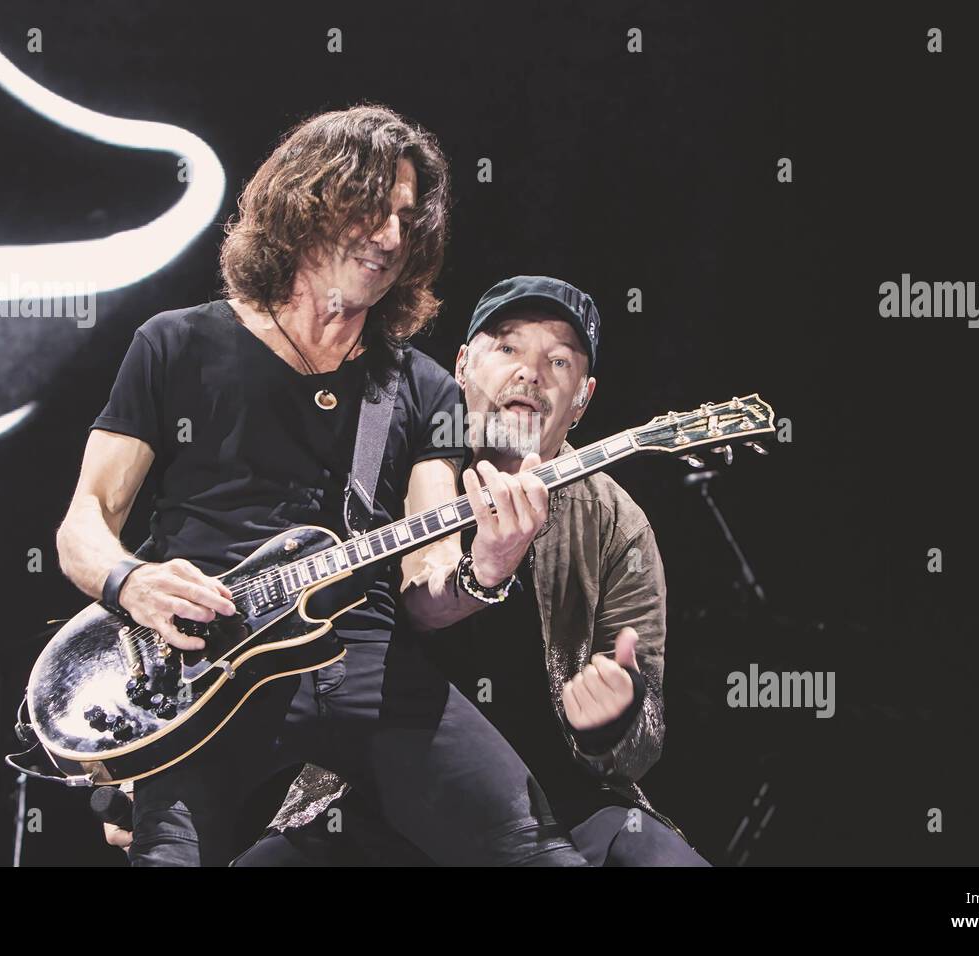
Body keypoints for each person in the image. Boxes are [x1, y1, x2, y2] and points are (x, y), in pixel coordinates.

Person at [58, 107, 588, 865]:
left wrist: (488, 569)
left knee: (536, 849)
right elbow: (82, 523)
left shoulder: (420, 387)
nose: (391, 236)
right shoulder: (176, 343)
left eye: (407, 218)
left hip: (367, 664)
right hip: (211, 663)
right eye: (371, 207)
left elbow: (426, 580)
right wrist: (132, 583)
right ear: (305, 200)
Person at [232, 277, 707, 866]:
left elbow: (641, 745)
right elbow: (255, 614)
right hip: (373, 802)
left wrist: (612, 721)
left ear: (582, 398)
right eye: (508, 348)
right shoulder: (380, 469)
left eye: (558, 360)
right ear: (461, 364)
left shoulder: (616, 523)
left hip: (560, 808)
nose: (531, 373)